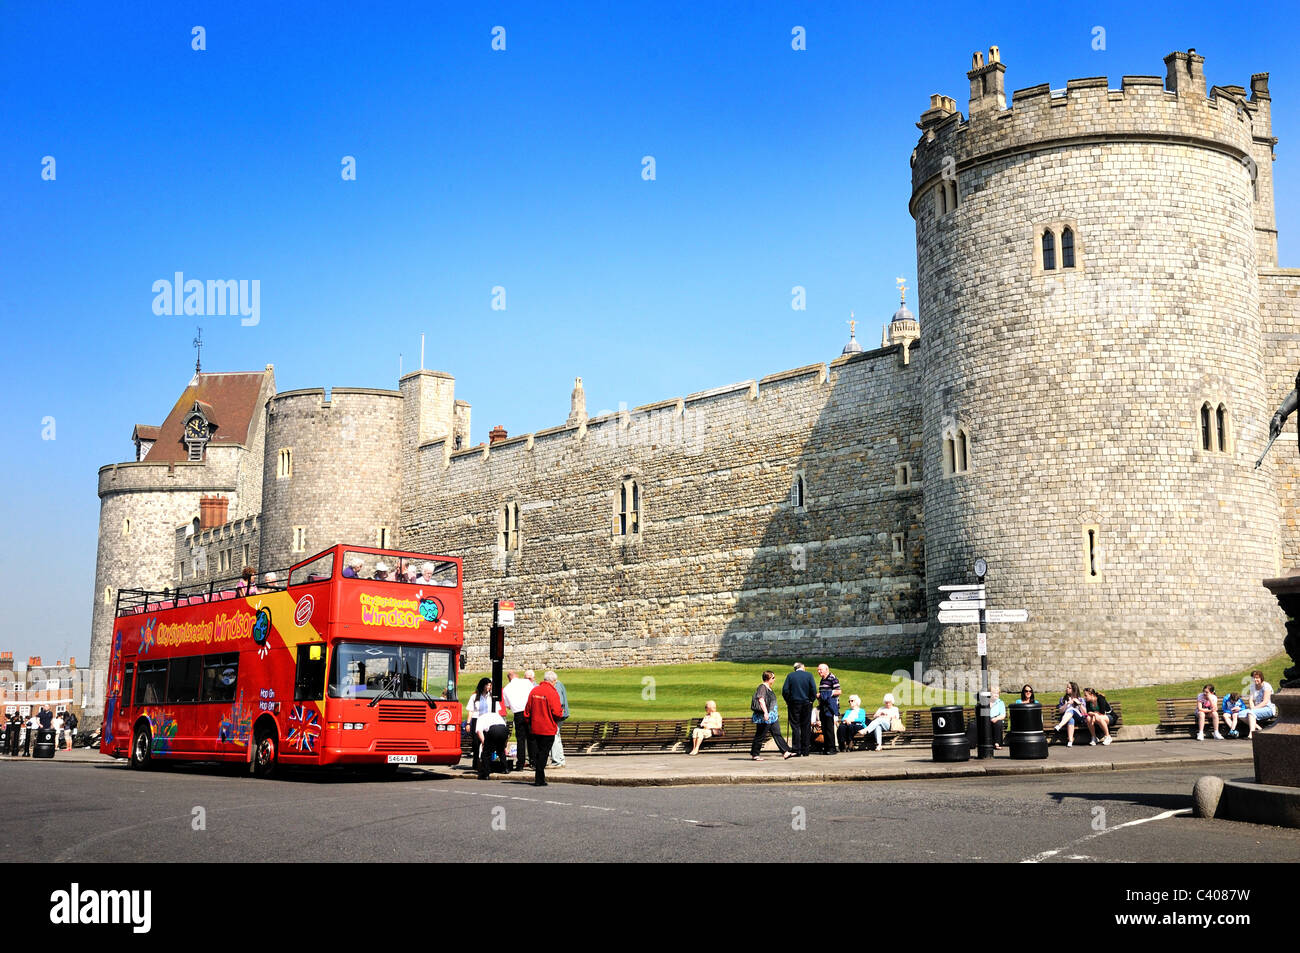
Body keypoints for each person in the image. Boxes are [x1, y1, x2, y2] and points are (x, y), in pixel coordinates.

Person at [523, 674, 564, 786]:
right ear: (553, 681)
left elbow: (527, 711)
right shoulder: (552, 692)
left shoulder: (534, 691)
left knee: (538, 753)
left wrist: (529, 722)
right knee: (543, 753)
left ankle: (540, 777)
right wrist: (561, 713)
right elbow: (557, 712)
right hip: (547, 728)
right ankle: (539, 778)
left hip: (535, 727)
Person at [750, 671, 796, 761]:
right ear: (768, 679)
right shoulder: (762, 687)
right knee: (760, 735)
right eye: (773, 678)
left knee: (777, 733)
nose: (774, 679)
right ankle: (755, 754)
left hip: (772, 717)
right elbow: (761, 700)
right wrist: (765, 713)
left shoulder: (768, 688)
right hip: (765, 717)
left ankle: (785, 752)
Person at [782, 662, 817, 757]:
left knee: (795, 726)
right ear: (802, 667)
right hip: (806, 703)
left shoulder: (790, 676)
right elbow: (813, 689)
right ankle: (805, 750)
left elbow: (785, 690)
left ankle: (796, 749)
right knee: (806, 726)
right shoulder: (809, 675)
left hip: (794, 703)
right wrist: (811, 700)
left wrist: (788, 701)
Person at [502, 670, 536, 771]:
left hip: (518, 714)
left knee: (520, 739)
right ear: (516, 675)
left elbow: (507, 705)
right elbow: (533, 694)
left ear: (509, 678)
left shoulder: (506, 689)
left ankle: (520, 764)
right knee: (531, 738)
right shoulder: (526, 682)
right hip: (529, 711)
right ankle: (533, 762)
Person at [464, 677, 494, 771]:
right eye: (487, 685)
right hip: (477, 719)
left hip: (487, 720)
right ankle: (476, 762)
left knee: (487, 742)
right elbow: (471, 711)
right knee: (476, 742)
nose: (489, 687)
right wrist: (468, 723)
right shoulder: (474, 696)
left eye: (490, 685)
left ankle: (485, 763)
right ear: (483, 685)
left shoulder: (491, 696)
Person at [474, 705, 510, 780]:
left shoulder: (480, 718)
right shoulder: (496, 715)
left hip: (493, 730)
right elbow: (505, 729)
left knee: (486, 753)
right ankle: (506, 768)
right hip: (504, 730)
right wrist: (505, 744)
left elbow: (479, 731)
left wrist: (484, 743)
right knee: (500, 750)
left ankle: (486, 774)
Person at [816, 663, 842, 754]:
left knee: (829, 728)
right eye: (818, 670)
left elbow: (838, 691)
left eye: (820, 670)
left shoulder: (832, 678)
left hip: (829, 707)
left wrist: (823, 694)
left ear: (826, 669)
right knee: (824, 727)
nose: (819, 672)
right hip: (823, 706)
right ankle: (826, 747)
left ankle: (832, 748)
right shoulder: (822, 680)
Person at [545, 671, 569, 768]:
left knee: (555, 737)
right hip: (559, 715)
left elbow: (559, 702)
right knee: (556, 737)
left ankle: (557, 760)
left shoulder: (557, 685)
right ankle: (559, 759)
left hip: (558, 716)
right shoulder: (558, 684)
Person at [1244, 670, 1277, 739]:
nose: (1255, 679)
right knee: (1240, 714)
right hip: (1256, 709)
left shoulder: (1266, 686)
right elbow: (1251, 700)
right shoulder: (1252, 686)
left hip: (1268, 709)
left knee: (1250, 713)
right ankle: (1259, 729)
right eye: (1253, 678)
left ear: (1261, 678)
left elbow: (1265, 702)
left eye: (1257, 678)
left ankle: (1251, 734)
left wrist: (1253, 709)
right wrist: (1252, 707)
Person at [1052, 682, 1086, 747]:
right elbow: (1060, 711)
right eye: (1067, 687)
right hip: (1067, 718)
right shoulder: (1063, 699)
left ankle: (1059, 725)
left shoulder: (1080, 699)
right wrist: (1067, 704)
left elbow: (1084, 713)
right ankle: (1070, 741)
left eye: (1069, 688)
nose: (1067, 689)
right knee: (1071, 719)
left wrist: (1079, 704)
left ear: (1074, 689)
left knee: (1072, 710)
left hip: (1079, 718)